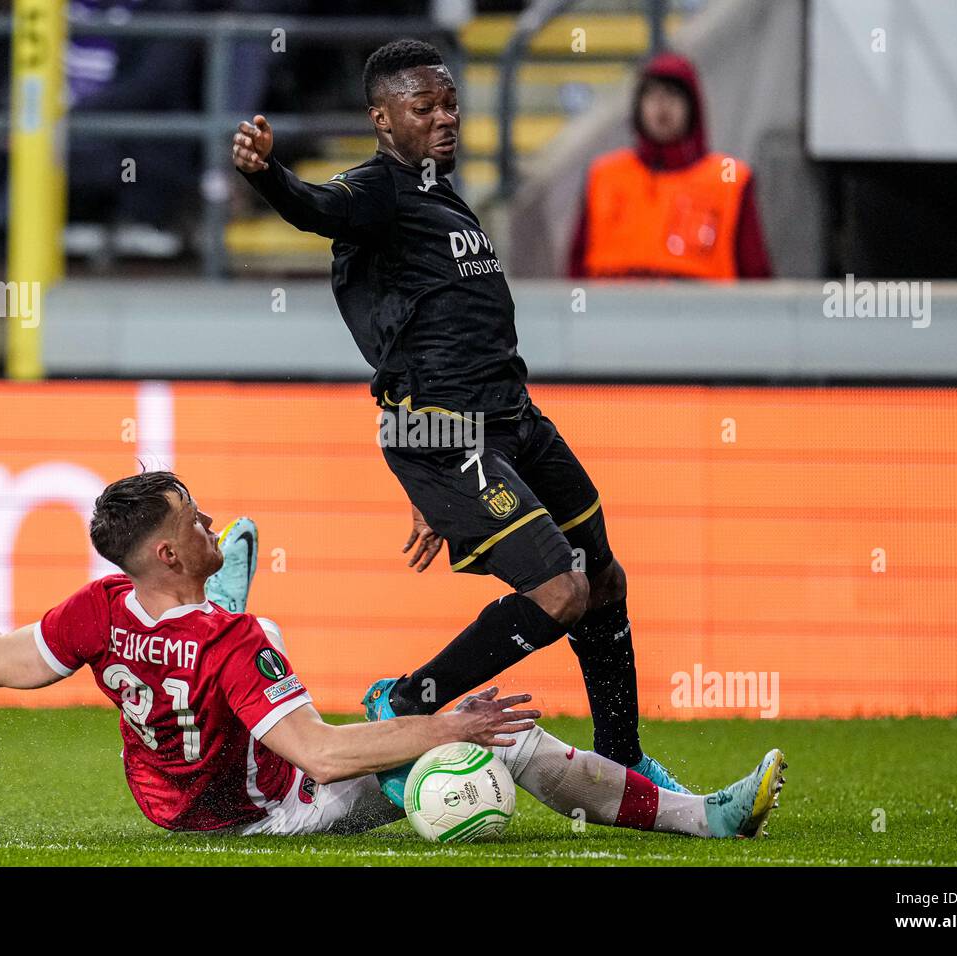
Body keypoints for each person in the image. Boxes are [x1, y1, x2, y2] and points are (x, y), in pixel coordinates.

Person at [232, 38, 753, 812]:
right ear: (381, 119)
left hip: (511, 419)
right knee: (560, 589)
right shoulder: (377, 189)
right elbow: (319, 209)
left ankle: (625, 758)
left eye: (449, 103)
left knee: (604, 580)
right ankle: (410, 698)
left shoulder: (439, 191)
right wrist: (268, 174)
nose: (445, 117)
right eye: (424, 107)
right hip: (445, 432)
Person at [0, 470, 785, 838]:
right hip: (272, 810)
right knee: (502, 738)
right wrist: (443, 724)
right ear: (170, 557)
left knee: (251, 660)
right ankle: (704, 817)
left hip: (169, 803)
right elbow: (323, 755)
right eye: (195, 520)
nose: (209, 520)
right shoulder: (237, 645)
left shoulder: (96, 609)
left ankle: (384, 707)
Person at [568, 51, 772, 280]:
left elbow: (755, 275)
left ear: (692, 107)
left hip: (700, 313)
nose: (662, 106)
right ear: (639, 106)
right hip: (611, 313)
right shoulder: (604, 175)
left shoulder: (729, 179)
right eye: (652, 96)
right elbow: (575, 269)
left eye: (673, 95)